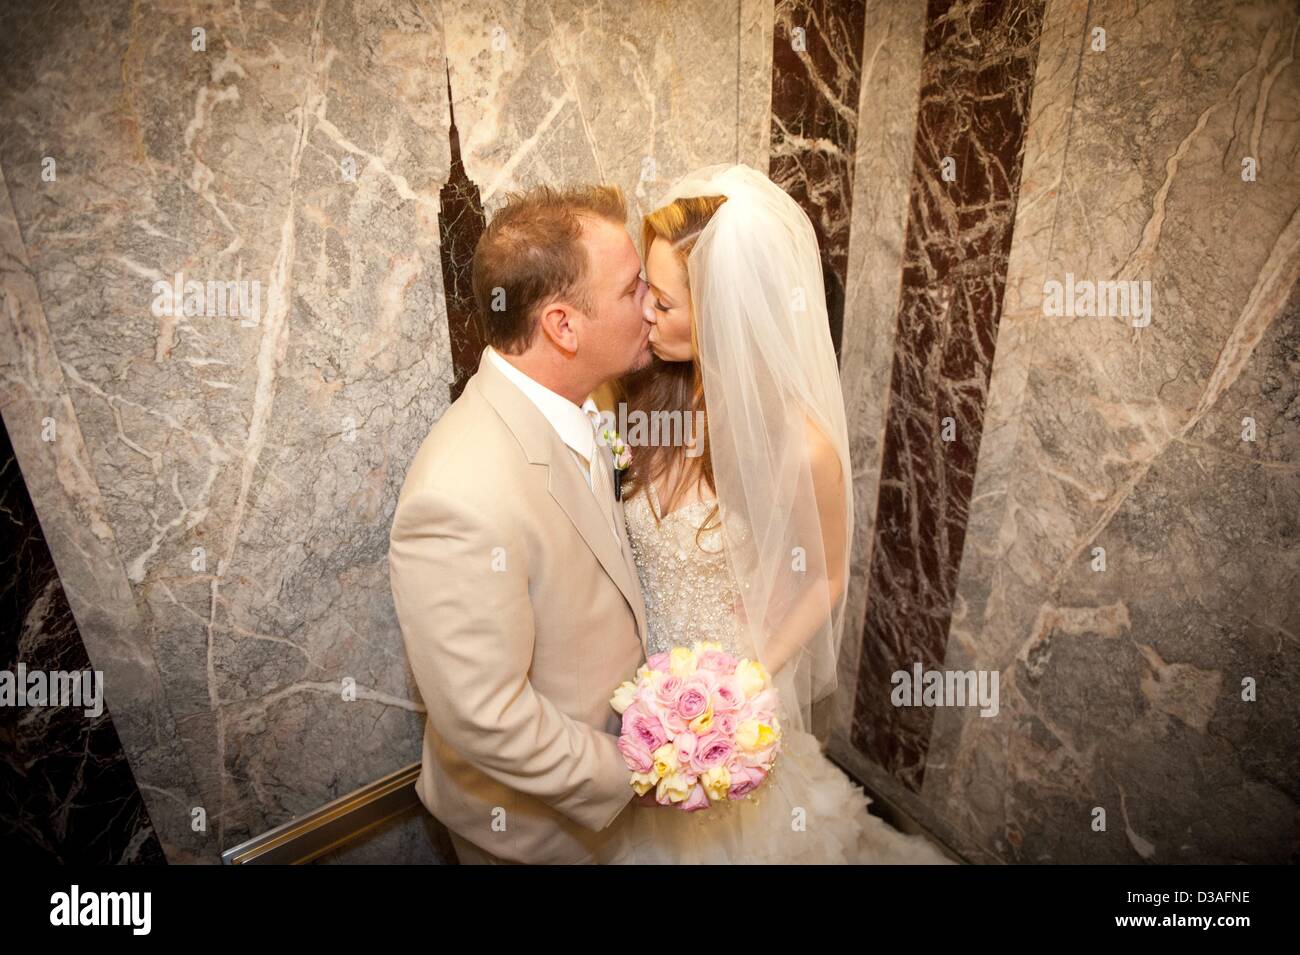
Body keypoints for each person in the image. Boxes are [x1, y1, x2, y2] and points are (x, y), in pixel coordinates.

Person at [605, 163, 954, 863]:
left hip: (724, 714)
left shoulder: (799, 447)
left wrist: (743, 689)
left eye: (664, 303)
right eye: (646, 290)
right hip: (629, 712)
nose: (645, 312)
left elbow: (823, 578)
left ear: (724, 307)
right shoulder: (645, 399)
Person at [387, 183, 673, 864]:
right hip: (541, 838)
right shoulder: (458, 493)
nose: (651, 306)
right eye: (634, 288)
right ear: (564, 326)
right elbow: (487, 717)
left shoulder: (584, 400)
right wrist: (635, 771)